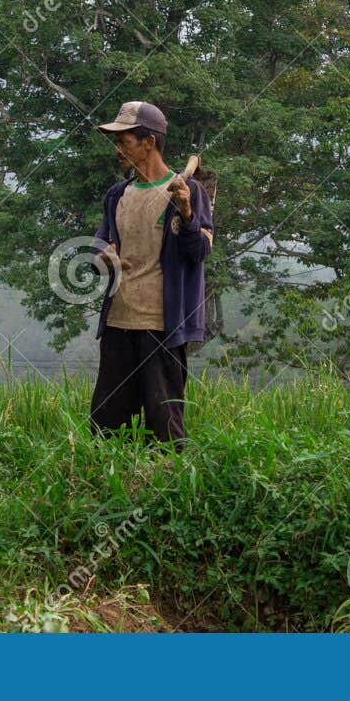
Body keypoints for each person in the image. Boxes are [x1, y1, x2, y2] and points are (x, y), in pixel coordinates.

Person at [88, 101, 213, 447]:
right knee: (107, 421)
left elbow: (199, 251)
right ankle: (111, 489)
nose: (117, 150)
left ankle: (169, 490)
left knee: (164, 421)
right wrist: (103, 254)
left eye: (124, 141)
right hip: (118, 322)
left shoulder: (189, 193)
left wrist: (187, 214)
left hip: (161, 327)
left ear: (149, 142)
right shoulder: (117, 195)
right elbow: (99, 241)